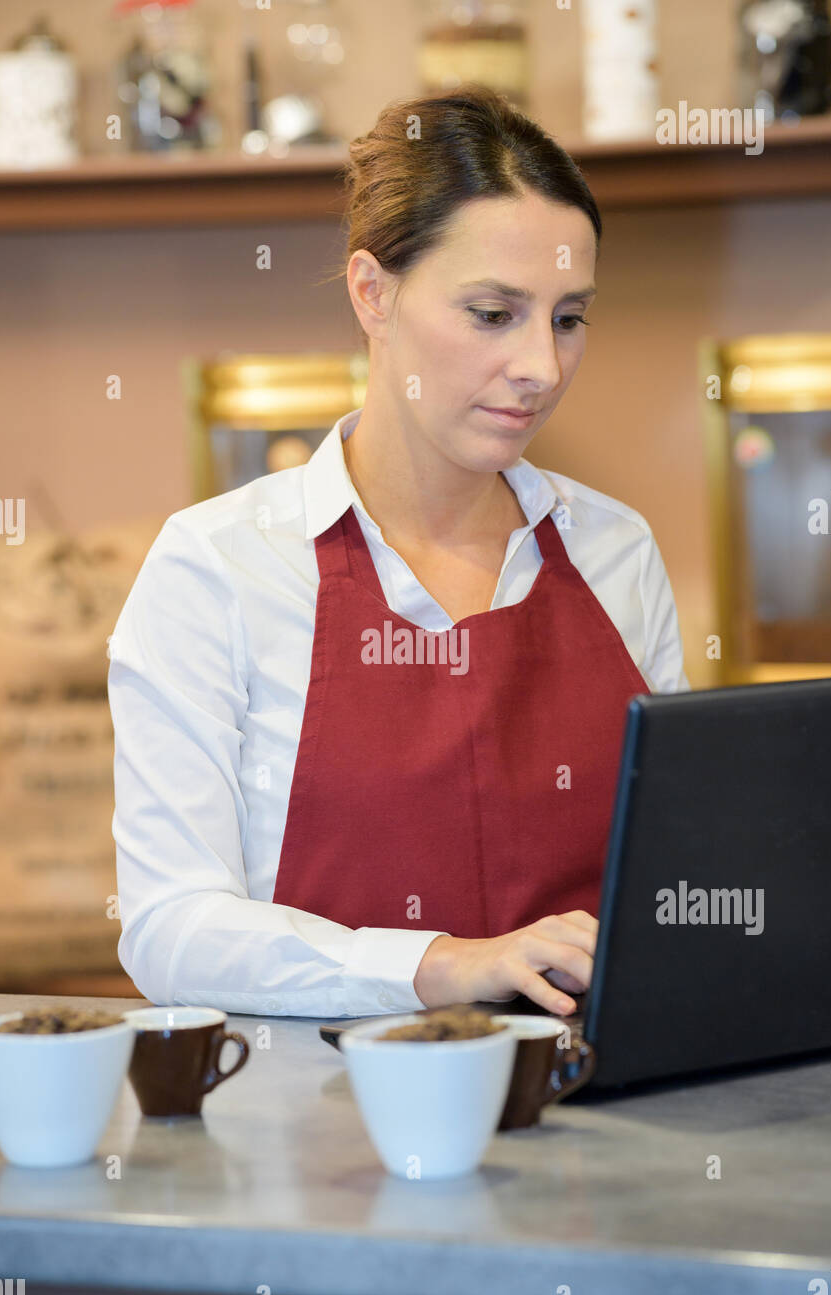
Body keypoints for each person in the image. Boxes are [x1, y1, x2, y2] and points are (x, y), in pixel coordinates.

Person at [108, 84, 690, 1021]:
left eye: (568, 316)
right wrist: (436, 964)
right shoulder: (215, 569)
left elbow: (680, 871)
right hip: (317, 1131)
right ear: (372, 294)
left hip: (600, 1120)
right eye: (494, 313)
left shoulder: (616, 550)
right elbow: (171, 928)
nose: (541, 365)